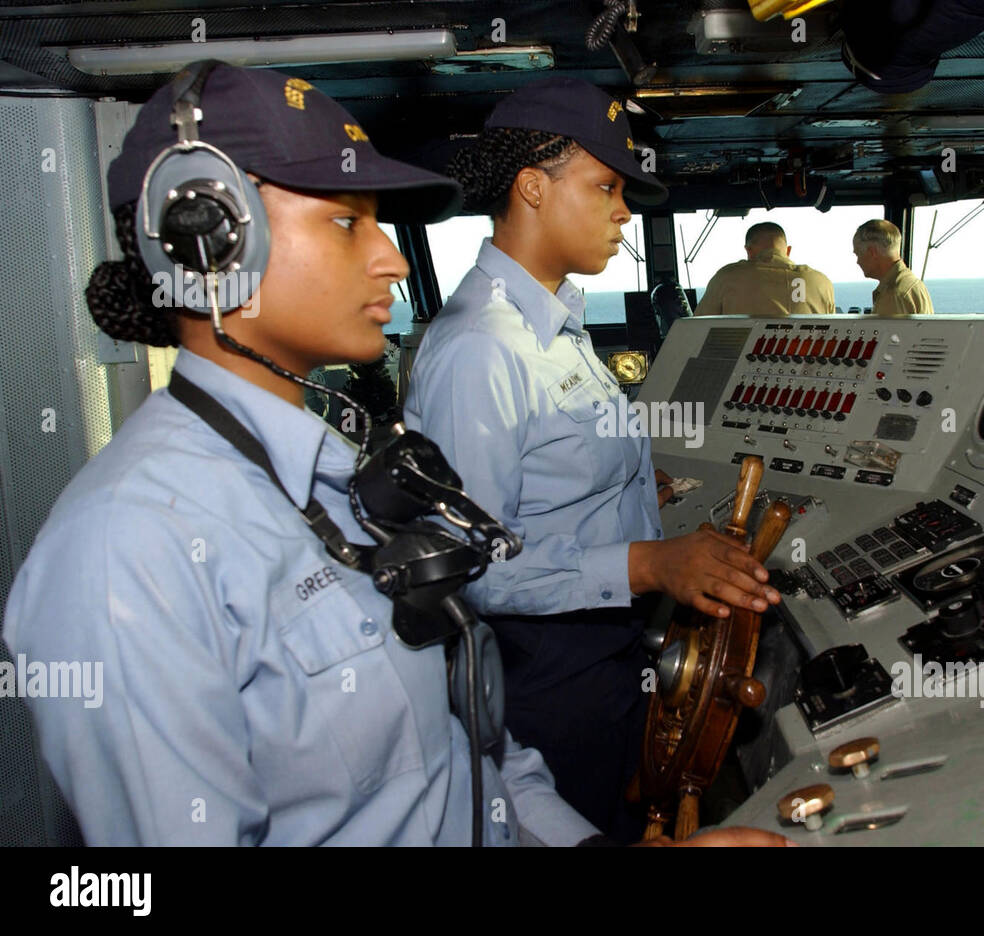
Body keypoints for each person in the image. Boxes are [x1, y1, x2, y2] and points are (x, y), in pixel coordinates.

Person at [1, 61, 786, 848]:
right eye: (347, 223)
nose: (394, 260)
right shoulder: (126, 552)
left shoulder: (346, 488)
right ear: (211, 244)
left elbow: (469, 753)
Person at [404, 76, 783, 842]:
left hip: (609, 656)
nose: (622, 212)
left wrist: (637, 488)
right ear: (532, 187)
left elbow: (554, 476)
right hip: (546, 678)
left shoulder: (555, 322)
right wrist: (650, 564)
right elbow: (470, 568)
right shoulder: (481, 350)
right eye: (606, 187)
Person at [695, 221, 835, 317]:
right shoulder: (821, 281)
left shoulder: (727, 277)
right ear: (788, 251)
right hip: (806, 358)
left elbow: (699, 326)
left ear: (748, 250)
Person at [853, 219, 934, 316]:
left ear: (872, 253)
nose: (858, 262)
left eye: (858, 254)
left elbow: (887, 331)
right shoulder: (913, 283)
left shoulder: (893, 295)